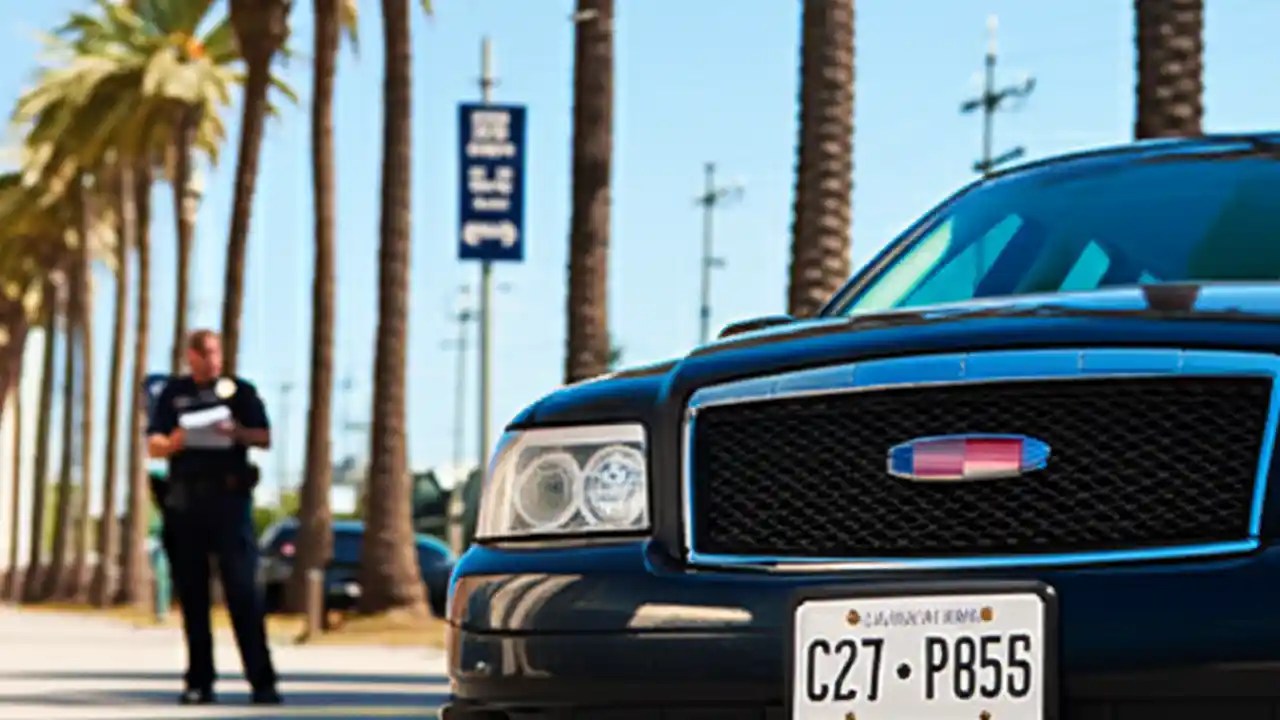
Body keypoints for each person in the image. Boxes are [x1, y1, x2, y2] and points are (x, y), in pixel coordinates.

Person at [146, 329, 281, 705]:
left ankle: (262, 681)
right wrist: (176, 441)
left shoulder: (239, 392)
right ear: (190, 356)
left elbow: (264, 436)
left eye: (216, 352)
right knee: (193, 596)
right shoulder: (174, 394)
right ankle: (199, 682)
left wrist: (235, 432)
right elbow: (153, 444)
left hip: (229, 502)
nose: (211, 359)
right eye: (204, 353)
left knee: (243, 593)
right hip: (186, 504)